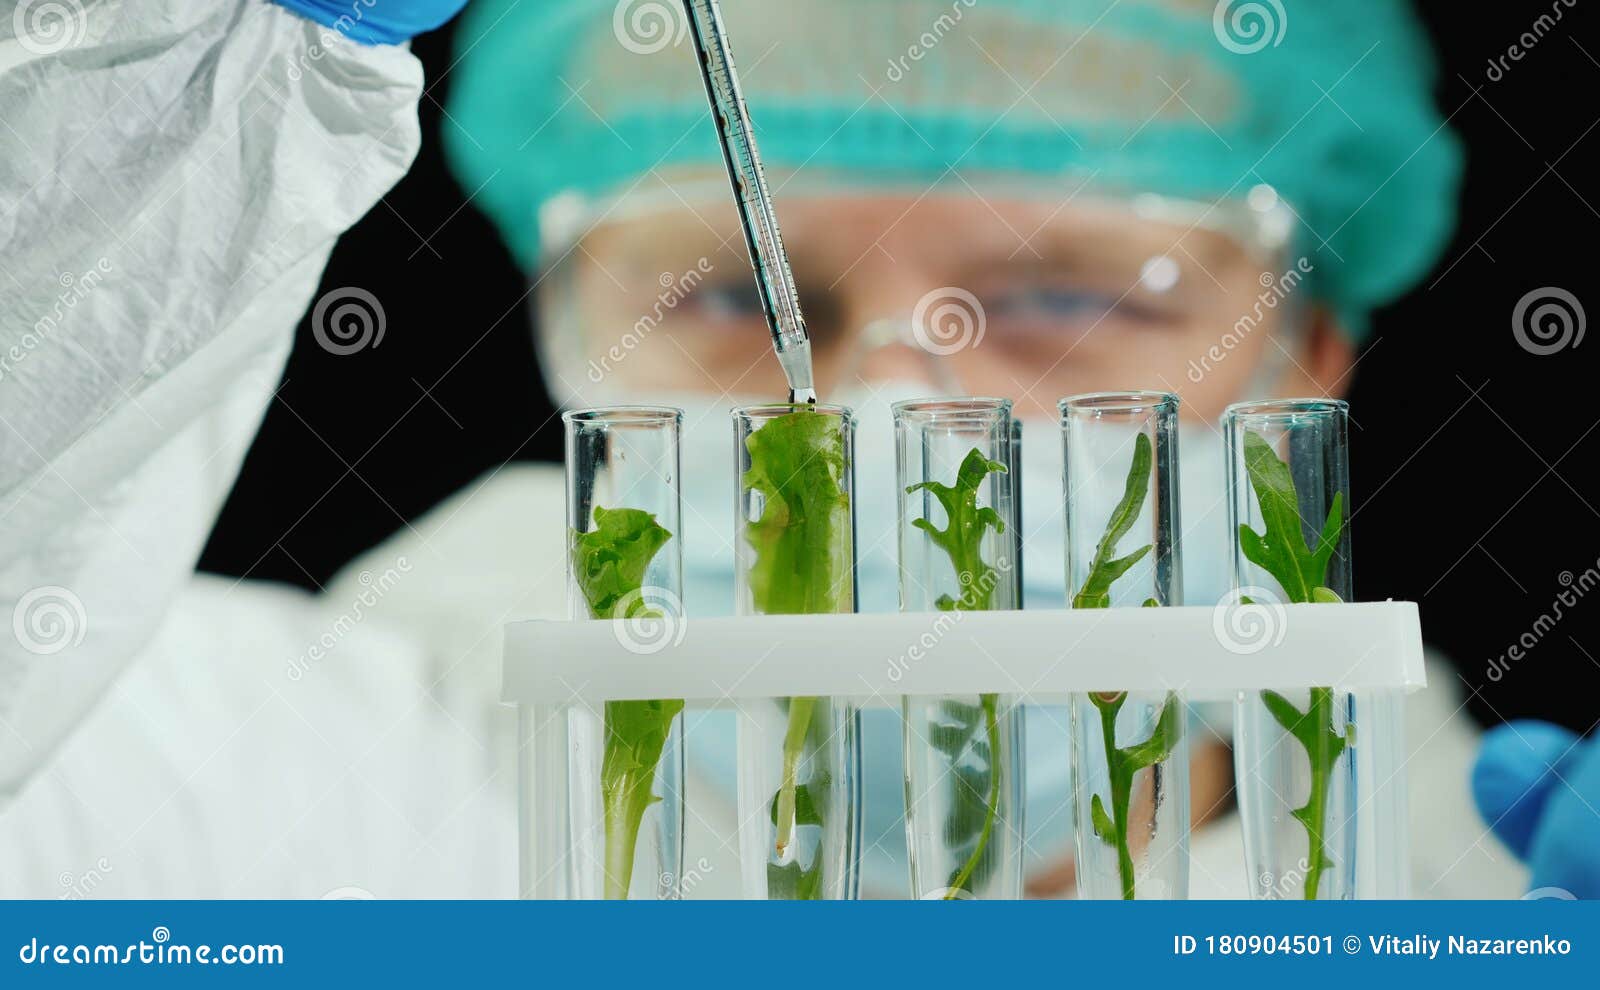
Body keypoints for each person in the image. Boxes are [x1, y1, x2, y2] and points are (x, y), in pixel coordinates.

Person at [0, 0, 1581, 898]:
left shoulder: (1491, 891)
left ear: (1312, 350)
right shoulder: (255, 793)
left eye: (1065, 293)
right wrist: (127, 108)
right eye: (742, 298)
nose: (879, 411)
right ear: (566, 327)